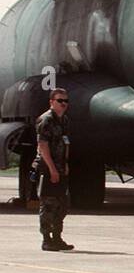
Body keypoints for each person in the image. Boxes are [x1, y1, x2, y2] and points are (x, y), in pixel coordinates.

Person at [35, 88, 74, 251]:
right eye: (60, 101)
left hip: (60, 167)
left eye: (66, 101)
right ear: (52, 102)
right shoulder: (46, 120)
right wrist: (52, 169)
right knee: (49, 204)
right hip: (47, 167)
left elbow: (65, 143)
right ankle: (46, 239)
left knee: (63, 204)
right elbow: (43, 146)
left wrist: (64, 165)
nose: (64, 104)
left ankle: (57, 237)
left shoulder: (63, 120)